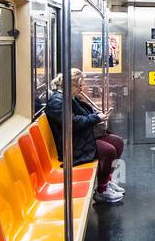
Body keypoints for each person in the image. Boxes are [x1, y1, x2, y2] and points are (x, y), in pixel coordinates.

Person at [47, 68, 126, 203]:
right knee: (109, 151)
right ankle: (102, 190)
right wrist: (95, 119)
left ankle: (107, 180)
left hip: (82, 135)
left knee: (118, 142)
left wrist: (96, 115)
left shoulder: (70, 98)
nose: (82, 88)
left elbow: (81, 116)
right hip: (71, 143)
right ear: (69, 86)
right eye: (79, 85)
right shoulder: (57, 102)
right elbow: (72, 123)